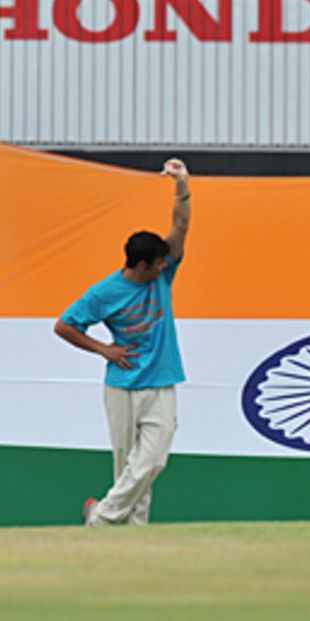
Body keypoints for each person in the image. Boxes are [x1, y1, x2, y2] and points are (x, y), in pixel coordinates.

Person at [54, 159, 190, 526]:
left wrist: (182, 185)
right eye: (160, 264)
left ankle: (100, 517)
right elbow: (64, 326)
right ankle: (132, 536)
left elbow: (181, 225)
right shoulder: (105, 292)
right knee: (127, 465)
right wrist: (104, 349)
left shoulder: (162, 277)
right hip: (122, 387)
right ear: (142, 265)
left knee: (152, 462)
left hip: (161, 382)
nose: (167, 267)